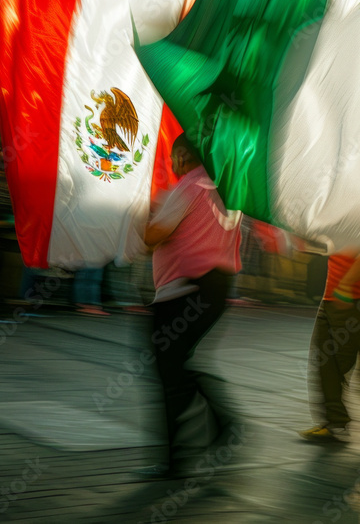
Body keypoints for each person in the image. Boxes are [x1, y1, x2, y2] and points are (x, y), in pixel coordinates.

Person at [142, 134, 241, 476]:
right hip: (215, 290)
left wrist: (139, 221)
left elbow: (154, 236)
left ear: (183, 156)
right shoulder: (227, 192)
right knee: (175, 367)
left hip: (182, 290)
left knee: (168, 371)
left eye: (173, 157)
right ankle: (218, 425)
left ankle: (179, 457)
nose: (172, 165)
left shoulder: (188, 186)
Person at [299, 241, 360, 442]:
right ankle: (337, 421)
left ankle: (339, 420)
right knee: (326, 357)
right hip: (337, 292)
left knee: (338, 359)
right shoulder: (340, 212)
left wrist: (346, 284)